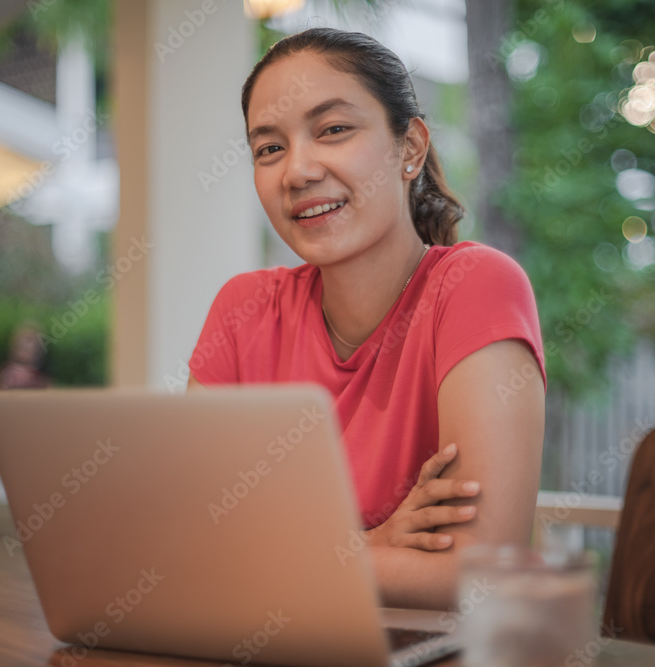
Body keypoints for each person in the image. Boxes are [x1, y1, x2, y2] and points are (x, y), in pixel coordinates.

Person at [186, 27, 545, 610]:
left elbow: (485, 570)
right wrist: (373, 543)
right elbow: (190, 548)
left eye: (333, 130)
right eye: (269, 148)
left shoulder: (474, 287)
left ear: (410, 149)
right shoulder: (243, 309)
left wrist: (287, 555)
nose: (297, 171)